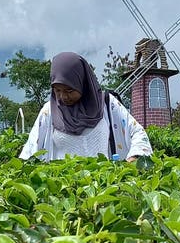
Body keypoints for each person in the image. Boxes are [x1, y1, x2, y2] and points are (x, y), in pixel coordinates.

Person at [19, 51, 153, 162]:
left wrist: (134, 157)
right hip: (64, 189)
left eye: (69, 91)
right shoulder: (49, 112)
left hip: (105, 186)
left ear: (83, 83)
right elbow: (30, 151)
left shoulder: (107, 104)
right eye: (57, 90)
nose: (63, 97)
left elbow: (137, 132)